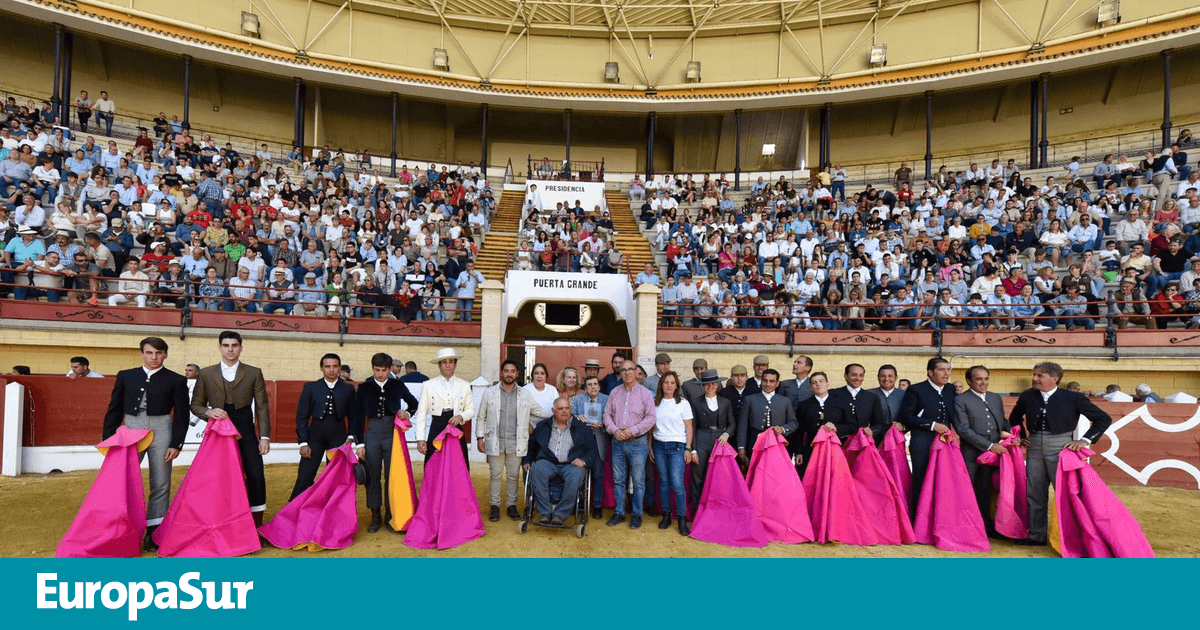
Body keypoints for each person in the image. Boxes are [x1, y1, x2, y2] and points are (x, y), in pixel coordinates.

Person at [1007, 361, 1112, 546]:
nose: (1034, 378)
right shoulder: (1028, 396)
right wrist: (1022, 436)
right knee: (1034, 493)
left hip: (1061, 447)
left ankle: (1071, 539)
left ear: (1054, 379)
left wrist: (1084, 440)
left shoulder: (1073, 398)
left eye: (1040, 375)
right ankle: (1036, 535)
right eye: (1034, 374)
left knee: (1066, 494)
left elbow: (1103, 419)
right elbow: (1014, 417)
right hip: (1034, 447)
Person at [101, 337, 190, 551]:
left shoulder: (176, 379)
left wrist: (176, 443)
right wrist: (109, 438)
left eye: (158, 353)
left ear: (165, 355)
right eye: (149, 353)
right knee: (122, 480)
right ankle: (119, 528)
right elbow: (114, 408)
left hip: (162, 430)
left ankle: (154, 531)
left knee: (161, 481)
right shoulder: (126, 376)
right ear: (142, 354)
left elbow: (182, 415)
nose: (154, 357)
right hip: (132, 428)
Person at [188, 331, 272, 525]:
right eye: (226, 346)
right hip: (218, 429)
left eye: (234, 345)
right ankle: (220, 518)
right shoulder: (206, 373)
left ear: (240, 348)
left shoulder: (253, 372)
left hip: (245, 427)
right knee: (218, 475)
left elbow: (262, 406)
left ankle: (256, 522)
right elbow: (196, 405)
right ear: (220, 348)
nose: (230, 349)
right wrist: (208, 412)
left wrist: (264, 437)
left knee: (255, 473)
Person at [476, 358, 551, 523]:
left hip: (517, 442)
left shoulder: (525, 394)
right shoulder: (490, 393)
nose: (509, 374)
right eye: (506, 371)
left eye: (512, 371)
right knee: (495, 475)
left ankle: (511, 505)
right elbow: (481, 417)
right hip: (495, 440)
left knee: (513, 476)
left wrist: (559, 412)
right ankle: (494, 506)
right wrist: (480, 437)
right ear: (502, 373)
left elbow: (539, 411)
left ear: (517, 374)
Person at [354, 352, 418, 532]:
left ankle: (391, 514)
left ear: (390, 369)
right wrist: (360, 444)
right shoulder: (365, 387)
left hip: (392, 433)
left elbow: (414, 403)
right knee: (372, 475)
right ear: (372, 368)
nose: (380, 374)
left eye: (384, 370)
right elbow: (358, 417)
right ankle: (375, 516)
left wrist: (407, 413)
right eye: (377, 370)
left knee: (392, 475)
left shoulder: (397, 384)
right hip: (372, 433)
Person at [952, 365, 1010, 539]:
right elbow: (963, 430)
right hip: (972, 452)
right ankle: (968, 527)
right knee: (969, 489)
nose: (983, 383)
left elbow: (1002, 421)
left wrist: (1012, 434)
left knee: (988, 489)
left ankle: (987, 526)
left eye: (986, 379)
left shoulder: (994, 397)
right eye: (978, 379)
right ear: (969, 381)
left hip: (994, 451)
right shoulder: (961, 399)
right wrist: (990, 446)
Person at [523, 398, 600, 526]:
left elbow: (592, 451)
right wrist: (527, 461)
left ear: (571, 409)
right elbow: (531, 447)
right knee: (537, 470)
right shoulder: (542, 426)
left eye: (567, 408)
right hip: (548, 461)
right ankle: (545, 512)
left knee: (576, 475)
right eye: (560, 409)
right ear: (553, 410)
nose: (564, 411)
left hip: (571, 464)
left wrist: (584, 461)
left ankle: (560, 515)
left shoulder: (582, 428)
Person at [290, 353, 356, 500]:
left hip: (338, 435)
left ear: (339, 368)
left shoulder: (348, 389)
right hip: (315, 435)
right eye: (327, 366)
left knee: (336, 476)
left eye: (335, 366)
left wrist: (351, 435)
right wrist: (303, 442)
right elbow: (302, 416)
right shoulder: (311, 387)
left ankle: (332, 510)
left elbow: (353, 416)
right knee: (305, 475)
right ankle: (296, 509)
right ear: (321, 368)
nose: (331, 370)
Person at [897, 357, 958, 515]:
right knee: (922, 479)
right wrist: (932, 425)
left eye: (948, 370)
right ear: (930, 372)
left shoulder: (950, 389)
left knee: (944, 479)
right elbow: (906, 416)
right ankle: (919, 519)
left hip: (946, 442)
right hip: (923, 441)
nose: (946, 373)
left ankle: (940, 516)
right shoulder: (916, 389)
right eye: (941, 370)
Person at [602, 359, 657, 529]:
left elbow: (651, 418)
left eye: (630, 369)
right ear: (620, 372)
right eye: (623, 370)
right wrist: (615, 430)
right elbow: (606, 415)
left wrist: (632, 430)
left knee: (638, 481)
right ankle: (619, 512)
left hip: (637, 443)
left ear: (635, 371)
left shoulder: (645, 394)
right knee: (619, 480)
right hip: (618, 442)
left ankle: (637, 514)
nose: (627, 373)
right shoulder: (614, 392)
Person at [412, 347, 475, 464]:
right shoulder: (428, 385)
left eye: (451, 362)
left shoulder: (465, 385)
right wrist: (420, 439)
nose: (448, 365)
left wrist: (461, 416)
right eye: (444, 362)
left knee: (457, 464)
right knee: (434, 464)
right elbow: (421, 413)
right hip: (437, 426)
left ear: (455, 365)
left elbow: (471, 409)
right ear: (439, 365)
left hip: (456, 426)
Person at [652, 371, 695, 535]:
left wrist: (688, 448)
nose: (669, 385)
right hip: (659, 446)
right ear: (661, 385)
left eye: (672, 382)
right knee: (663, 482)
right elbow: (650, 428)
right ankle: (666, 515)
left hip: (677, 446)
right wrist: (650, 447)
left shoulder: (683, 403)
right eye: (666, 382)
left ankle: (682, 518)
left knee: (677, 483)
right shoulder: (654, 403)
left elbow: (689, 427)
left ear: (677, 386)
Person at [687, 368, 734, 504]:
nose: (710, 387)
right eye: (706, 384)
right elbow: (693, 427)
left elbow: (732, 424)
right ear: (702, 386)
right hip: (701, 438)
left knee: (719, 476)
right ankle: (698, 508)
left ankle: (716, 507)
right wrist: (693, 450)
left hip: (719, 440)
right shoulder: (695, 402)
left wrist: (726, 434)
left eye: (713, 383)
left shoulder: (725, 402)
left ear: (717, 384)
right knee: (699, 475)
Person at [736, 369, 798, 467]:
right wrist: (741, 446)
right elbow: (742, 425)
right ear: (761, 381)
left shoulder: (785, 401)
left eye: (772, 381)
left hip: (777, 443)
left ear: (777, 384)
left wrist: (782, 429)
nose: (768, 384)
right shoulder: (750, 399)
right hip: (755, 442)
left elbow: (793, 423)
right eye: (765, 380)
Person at [571, 375, 609, 519]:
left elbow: (611, 416)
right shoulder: (578, 399)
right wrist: (578, 417)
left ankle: (597, 506)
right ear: (585, 388)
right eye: (589, 385)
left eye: (595, 384)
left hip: (599, 439)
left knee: (598, 475)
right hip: (582, 441)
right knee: (580, 473)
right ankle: (579, 504)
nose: (593, 387)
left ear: (599, 386)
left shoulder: (607, 399)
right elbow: (570, 416)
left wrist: (604, 424)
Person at [829, 363, 887, 441]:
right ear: (846, 376)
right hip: (837, 441)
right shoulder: (833, 394)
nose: (858, 378)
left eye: (861, 375)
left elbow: (879, 423)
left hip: (862, 442)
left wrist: (871, 430)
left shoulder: (871, 397)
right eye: (854, 375)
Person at [868, 364, 904, 439]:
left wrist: (903, 426)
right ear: (878, 377)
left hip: (896, 438)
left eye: (890, 376)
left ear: (896, 377)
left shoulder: (905, 395)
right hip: (872, 437)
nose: (886, 379)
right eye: (882, 376)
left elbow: (911, 416)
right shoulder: (868, 394)